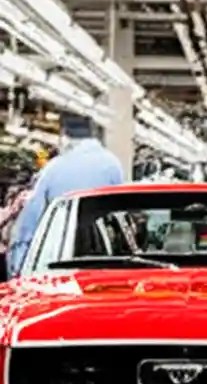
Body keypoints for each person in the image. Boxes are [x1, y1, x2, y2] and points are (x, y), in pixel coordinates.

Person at [8, 114, 124, 278]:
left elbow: (29, 225)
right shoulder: (114, 165)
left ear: (65, 137)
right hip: (106, 259)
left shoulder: (53, 169)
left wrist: (17, 267)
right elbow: (121, 214)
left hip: (58, 257)